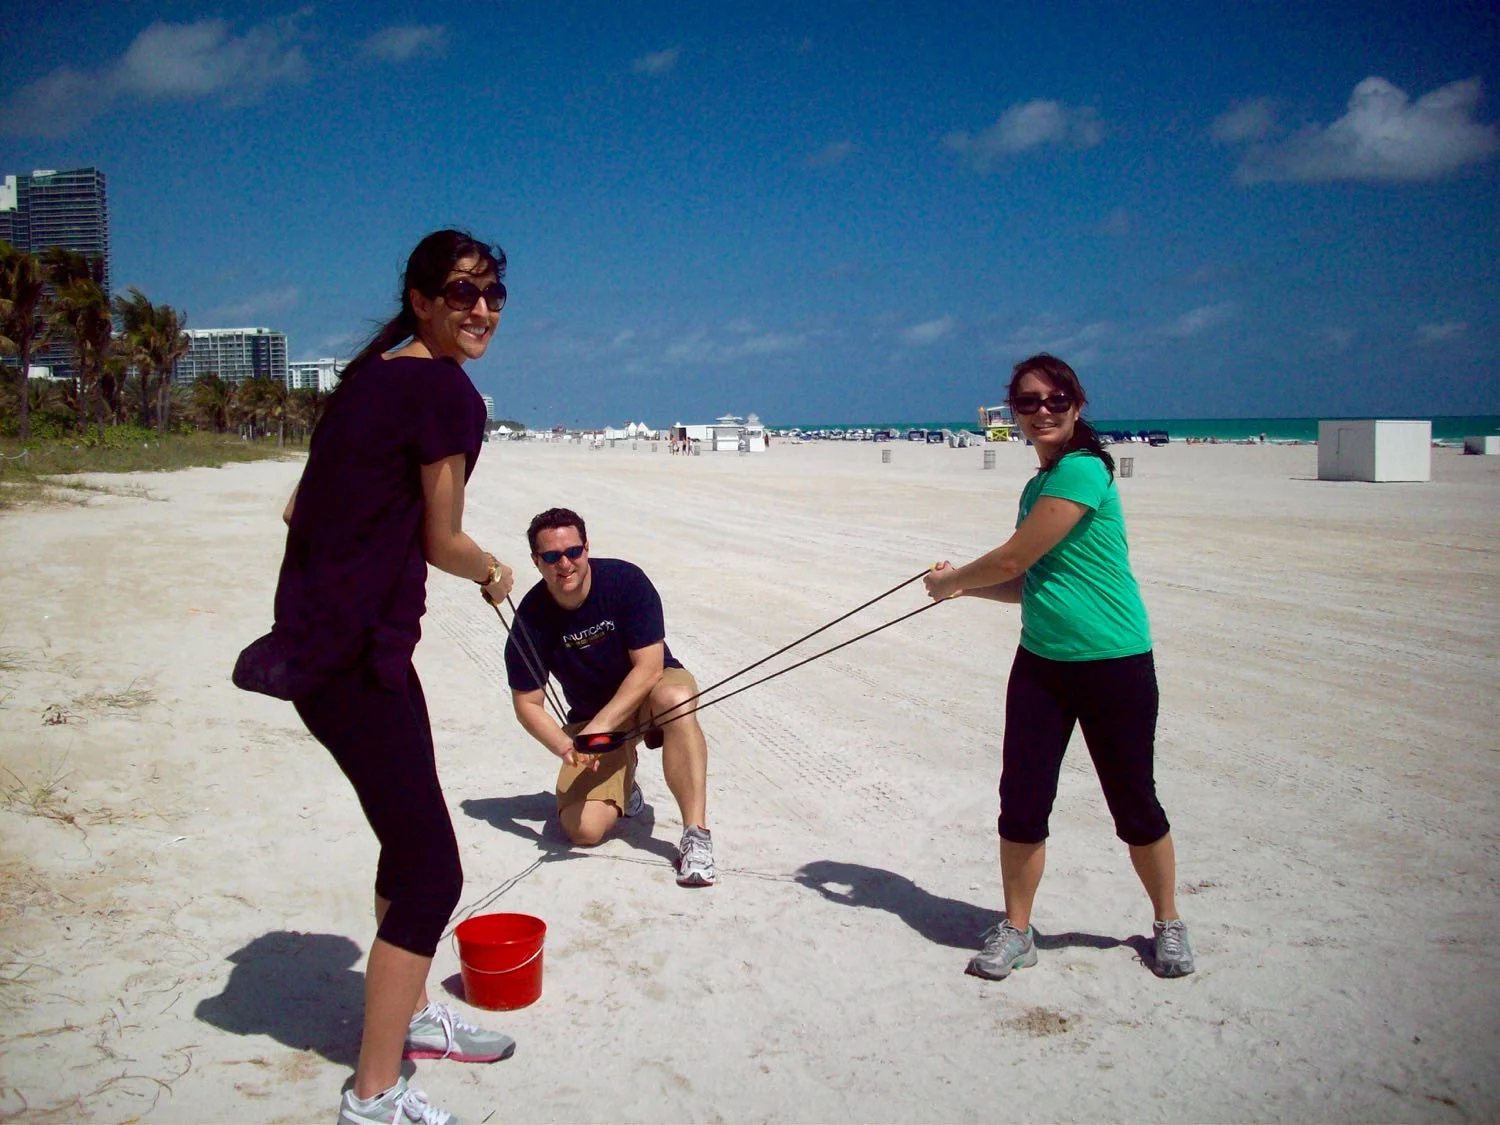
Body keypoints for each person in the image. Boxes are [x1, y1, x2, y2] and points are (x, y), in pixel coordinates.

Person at [254, 230, 518, 1125]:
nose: (479, 310)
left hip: (328, 650)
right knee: (431, 870)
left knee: (403, 842)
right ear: (420, 298)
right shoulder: (445, 390)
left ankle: (403, 1020)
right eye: (460, 292)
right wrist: (490, 570)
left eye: (492, 295)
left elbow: (299, 505)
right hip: (356, 660)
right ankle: (372, 1093)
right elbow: (443, 540)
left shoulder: (368, 379)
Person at [923, 353, 1194, 982]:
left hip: (1114, 662)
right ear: (1013, 414)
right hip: (1042, 665)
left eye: (1054, 399)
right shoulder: (1037, 485)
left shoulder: (1083, 470)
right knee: (1021, 800)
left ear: (1076, 404)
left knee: (1133, 802)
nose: (1042, 411)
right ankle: (1017, 930)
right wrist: (957, 589)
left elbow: (1014, 555)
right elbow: (1029, 580)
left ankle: (1168, 922)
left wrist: (956, 579)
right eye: (1027, 402)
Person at [503, 507, 715, 887]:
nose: (564, 564)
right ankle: (625, 779)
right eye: (551, 556)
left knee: (677, 698)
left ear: (587, 548)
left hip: (648, 693)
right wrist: (567, 747)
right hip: (590, 717)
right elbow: (527, 704)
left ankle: (695, 835)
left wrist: (600, 729)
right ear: (536, 561)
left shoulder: (625, 581)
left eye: (573, 552)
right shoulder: (530, 618)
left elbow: (649, 668)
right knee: (581, 831)